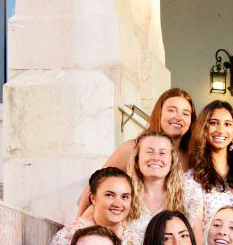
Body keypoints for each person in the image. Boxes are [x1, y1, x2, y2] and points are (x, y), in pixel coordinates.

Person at [78, 87, 194, 216]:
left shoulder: (191, 157)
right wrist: (78, 220)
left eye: (185, 114)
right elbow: (97, 184)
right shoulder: (132, 148)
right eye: (171, 110)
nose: (178, 117)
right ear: (159, 113)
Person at [49, 167, 139, 245]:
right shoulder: (68, 238)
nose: (118, 204)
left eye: (124, 197)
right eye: (109, 195)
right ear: (93, 198)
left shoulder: (133, 241)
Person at [183, 100, 233, 232]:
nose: (220, 130)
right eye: (213, 123)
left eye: (227, 124)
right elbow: (195, 232)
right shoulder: (192, 179)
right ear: (204, 129)